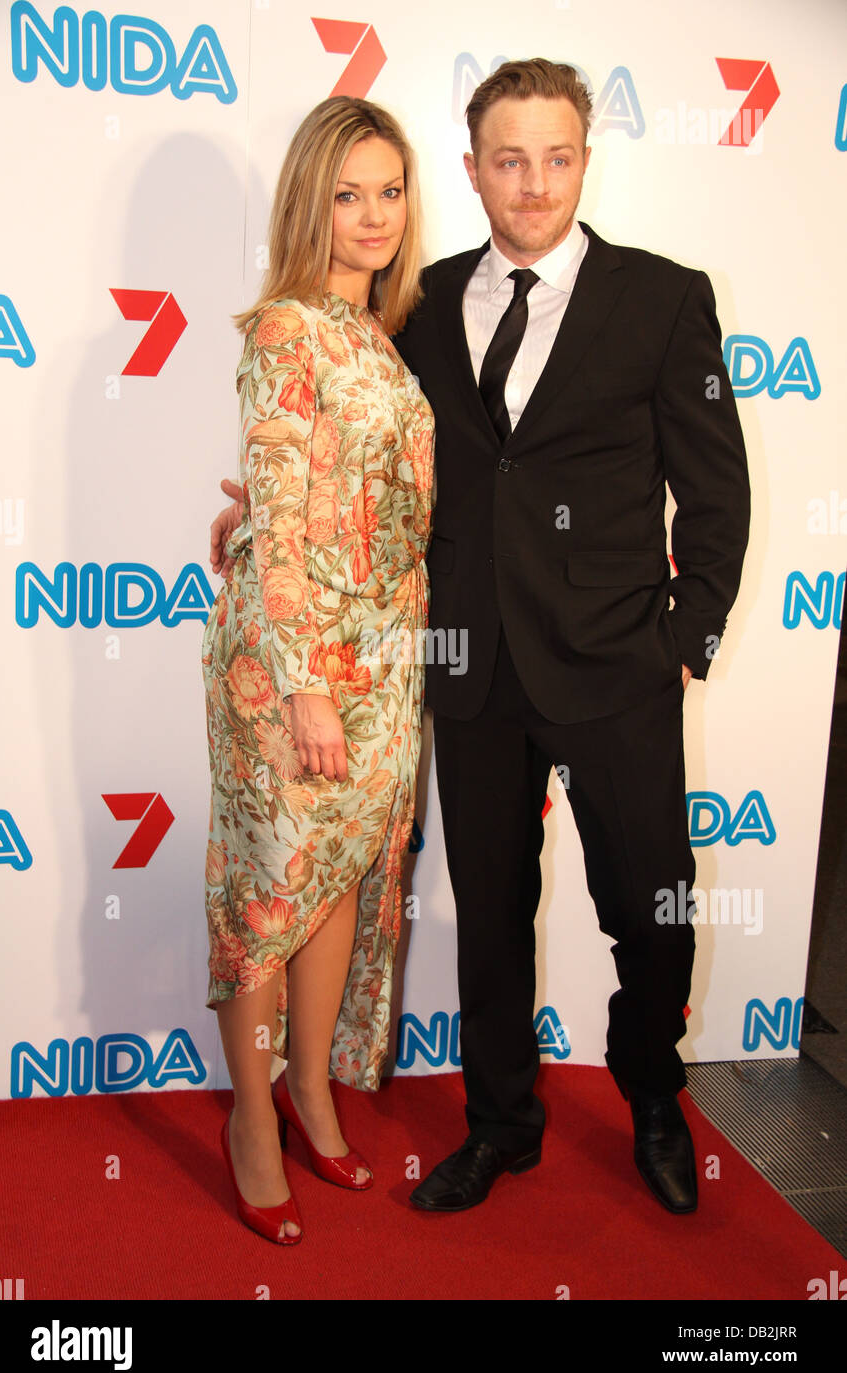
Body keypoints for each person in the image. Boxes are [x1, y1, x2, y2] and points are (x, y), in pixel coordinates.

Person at [211, 59, 750, 1219]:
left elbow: (717, 493)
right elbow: (345, 457)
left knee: (649, 904)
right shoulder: (413, 306)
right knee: (489, 915)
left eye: (556, 157)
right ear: (471, 170)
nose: (533, 182)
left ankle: (653, 1096)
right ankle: (500, 1124)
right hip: (463, 669)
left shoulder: (661, 299)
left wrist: (680, 641)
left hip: (615, 667)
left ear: (583, 164)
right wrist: (254, 514)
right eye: (508, 159)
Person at [202, 95, 434, 1244]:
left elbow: (319, 493)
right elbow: (286, 526)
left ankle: (308, 1090)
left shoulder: (380, 336)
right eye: (348, 192)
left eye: (388, 189)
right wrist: (301, 683)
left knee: (337, 879)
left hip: (385, 656)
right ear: (309, 201)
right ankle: (251, 1119)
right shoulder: (288, 325)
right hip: (298, 662)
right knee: (268, 895)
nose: (373, 213)